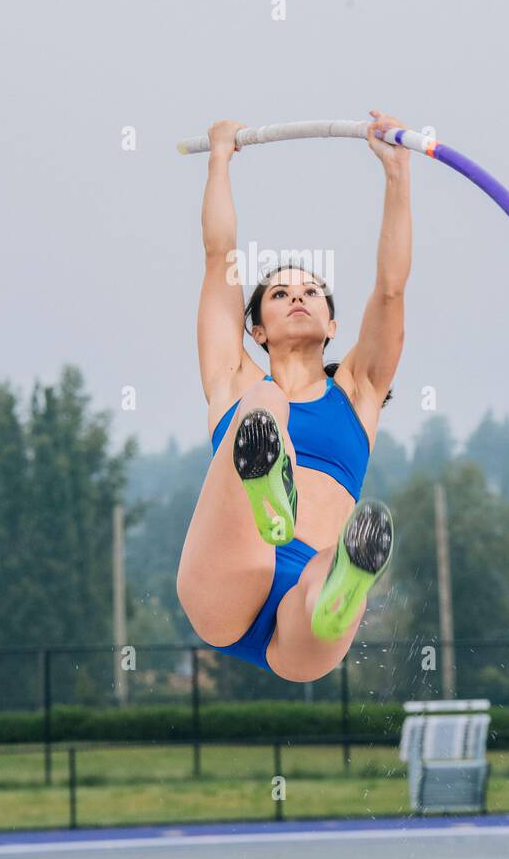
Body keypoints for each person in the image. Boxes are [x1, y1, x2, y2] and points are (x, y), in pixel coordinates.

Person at [176, 110, 412, 681]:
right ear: (256, 328)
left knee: (330, 568)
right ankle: (269, 489)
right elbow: (218, 259)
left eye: (311, 292)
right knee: (267, 405)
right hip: (229, 580)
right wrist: (220, 160)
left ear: (334, 324)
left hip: (304, 611)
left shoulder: (358, 390)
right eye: (279, 294)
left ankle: (342, 587)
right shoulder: (235, 376)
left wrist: (398, 178)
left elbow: (390, 288)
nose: (298, 297)